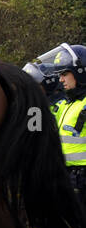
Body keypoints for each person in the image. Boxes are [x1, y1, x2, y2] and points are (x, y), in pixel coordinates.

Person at [34, 44, 86, 200]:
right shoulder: (65, 105)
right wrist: (32, 101)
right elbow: (35, 129)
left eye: (64, 74)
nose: (61, 79)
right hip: (66, 176)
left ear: (81, 72)